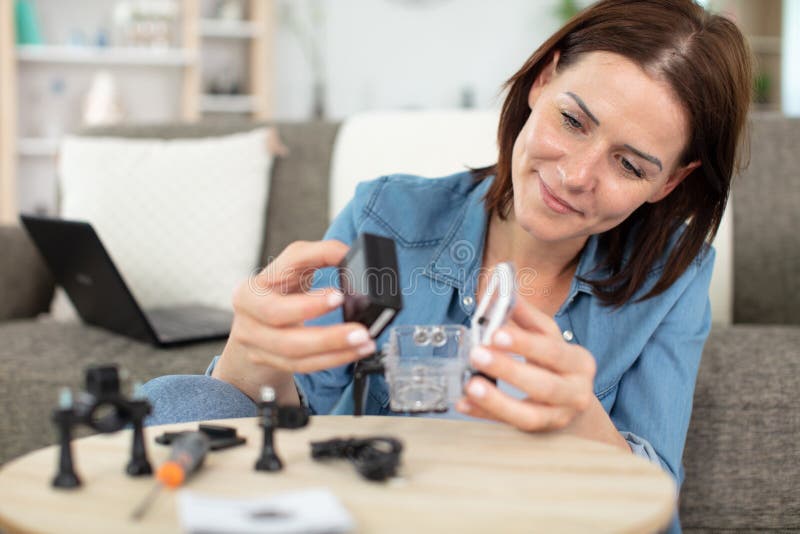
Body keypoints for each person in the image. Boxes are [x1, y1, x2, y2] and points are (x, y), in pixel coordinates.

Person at [141, 0, 752, 531]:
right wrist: (255, 354)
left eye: (630, 165)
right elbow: (302, 420)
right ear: (543, 80)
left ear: (670, 182)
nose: (574, 176)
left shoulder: (671, 281)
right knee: (170, 403)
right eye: (572, 121)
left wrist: (578, 418)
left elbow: (654, 509)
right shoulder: (385, 224)